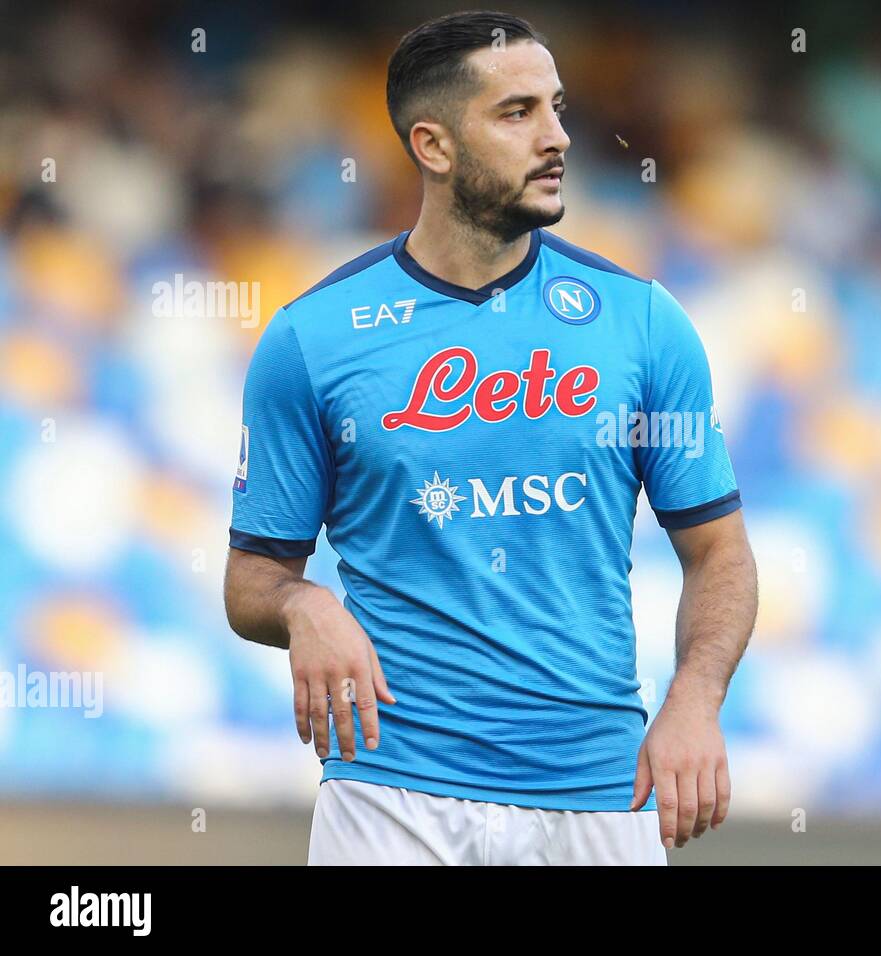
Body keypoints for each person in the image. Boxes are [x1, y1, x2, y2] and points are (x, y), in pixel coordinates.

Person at [224, 9, 757, 866]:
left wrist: (696, 698)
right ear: (432, 146)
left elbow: (718, 551)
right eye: (517, 114)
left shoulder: (645, 323)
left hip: (600, 790)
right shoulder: (311, 339)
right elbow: (252, 574)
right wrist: (302, 604)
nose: (557, 137)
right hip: (390, 791)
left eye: (557, 107)